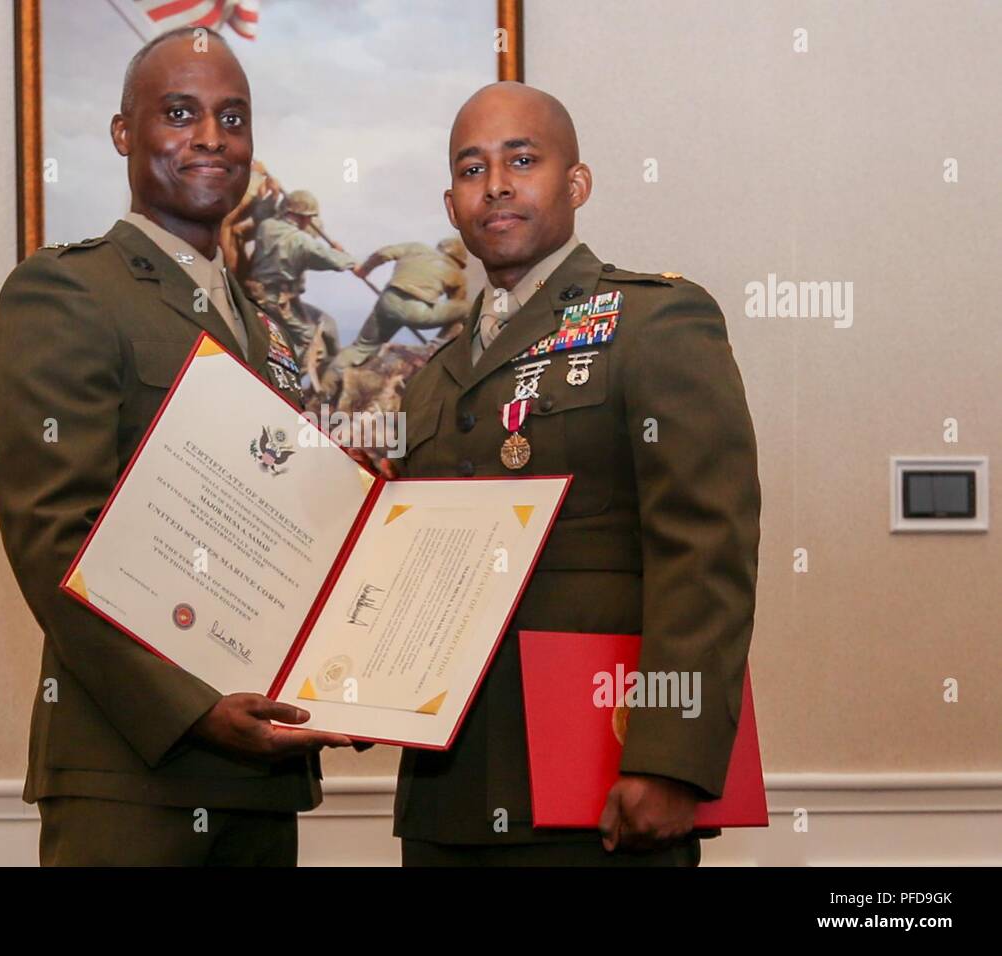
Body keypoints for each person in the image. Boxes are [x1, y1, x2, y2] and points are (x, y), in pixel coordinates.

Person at [0, 27, 350, 867]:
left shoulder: (260, 327)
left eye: (233, 117)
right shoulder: (69, 289)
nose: (211, 138)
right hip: (132, 773)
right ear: (124, 133)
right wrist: (191, 707)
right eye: (180, 113)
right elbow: (53, 534)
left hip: (260, 770)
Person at [385, 82, 761, 866]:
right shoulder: (430, 379)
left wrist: (670, 760)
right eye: (471, 169)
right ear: (451, 205)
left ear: (576, 184)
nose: (496, 184)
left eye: (522, 159)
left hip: (596, 787)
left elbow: (705, 549)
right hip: (446, 799)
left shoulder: (655, 322)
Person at [318, 238, 471, 401]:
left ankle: (324, 391)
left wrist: (363, 270)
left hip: (388, 301)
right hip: (418, 312)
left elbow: (382, 253)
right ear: (459, 260)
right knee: (466, 307)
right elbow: (455, 304)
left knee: (361, 347)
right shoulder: (457, 273)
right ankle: (438, 346)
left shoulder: (416, 248)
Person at [245, 189, 355, 378]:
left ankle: (335, 372)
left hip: (271, 296)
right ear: (301, 217)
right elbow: (337, 262)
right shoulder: (301, 241)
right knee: (312, 342)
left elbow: (261, 213)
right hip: (276, 302)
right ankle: (293, 383)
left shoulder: (267, 226)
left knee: (327, 323)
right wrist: (343, 254)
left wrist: (271, 195)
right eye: (309, 218)